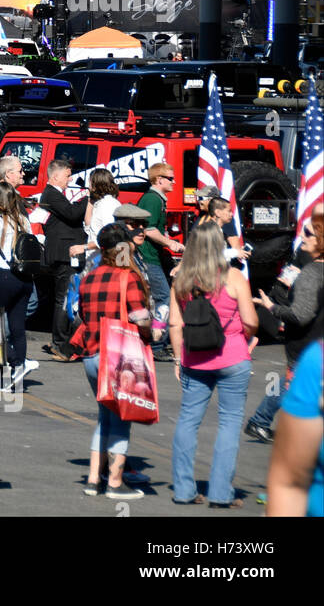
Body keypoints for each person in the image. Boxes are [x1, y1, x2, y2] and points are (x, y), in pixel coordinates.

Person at [168, 221, 258, 507]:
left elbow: (174, 323)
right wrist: (247, 339)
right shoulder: (233, 278)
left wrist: (178, 357)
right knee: (229, 422)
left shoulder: (181, 279)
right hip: (232, 355)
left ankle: (183, 489)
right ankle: (220, 492)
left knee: (188, 420)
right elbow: (251, 321)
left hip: (195, 357)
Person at [70, 223, 157, 499]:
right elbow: (140, 316)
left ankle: (94, 479)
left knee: (103, 417)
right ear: (124, 248)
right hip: (118, 356)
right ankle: (115, 483)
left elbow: (82, 315)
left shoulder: (89, 277)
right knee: (122, 416)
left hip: (92, 354)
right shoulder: (127, 277)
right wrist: (153, 330)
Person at [246, 213, 324, 442]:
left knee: (293, 382)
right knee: (293, 382)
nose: (302, 236)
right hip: (306, 341)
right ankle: (261, 420)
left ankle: (261, 420)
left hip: (311, 339)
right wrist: (274, 308)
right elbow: (292, 301)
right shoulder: (307, 265)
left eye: (308, 233)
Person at [0, 181, 38, 388]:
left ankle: (15, 362)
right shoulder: (24, 219)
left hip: (5, 277)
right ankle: (17, 373)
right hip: (25, 278)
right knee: (17, 326)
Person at [266, 335, 324, 516]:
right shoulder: (318, 362)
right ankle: (259, 420)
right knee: (279, 387)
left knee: (278, 387)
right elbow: (289, 484)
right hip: (299, 355)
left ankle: (259, 419)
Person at [39, 159, 87, 363]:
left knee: (65, 297)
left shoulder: (56, 194)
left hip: (66, 251)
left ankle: (61, 340)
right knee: (63, 299)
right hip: (62, 253)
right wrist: (87, 199)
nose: (70, 180)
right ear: (55, 176)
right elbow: (72, 214)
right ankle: (60, 342)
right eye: (67, 176)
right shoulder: (50, 194)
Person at [138, 162, 185, 361]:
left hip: (154, 256)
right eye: (170, 178)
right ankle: (157, 345)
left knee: (160, 298)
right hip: (148, 257)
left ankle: (157, 341)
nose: (174, 182)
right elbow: (149, 230)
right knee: (163, 298)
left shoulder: (158, 199)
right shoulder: (153, 200)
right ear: (159, 180)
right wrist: (170, 244)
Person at [84, 168, 121, 248]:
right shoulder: (98, 203)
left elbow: (111, 236)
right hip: (95, 257)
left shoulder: (107, 205)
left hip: (104, 257)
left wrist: (85, 247)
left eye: (90, 183)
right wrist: (90, 199)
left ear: (96, 184)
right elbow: (88, 226)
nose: (89, 187)